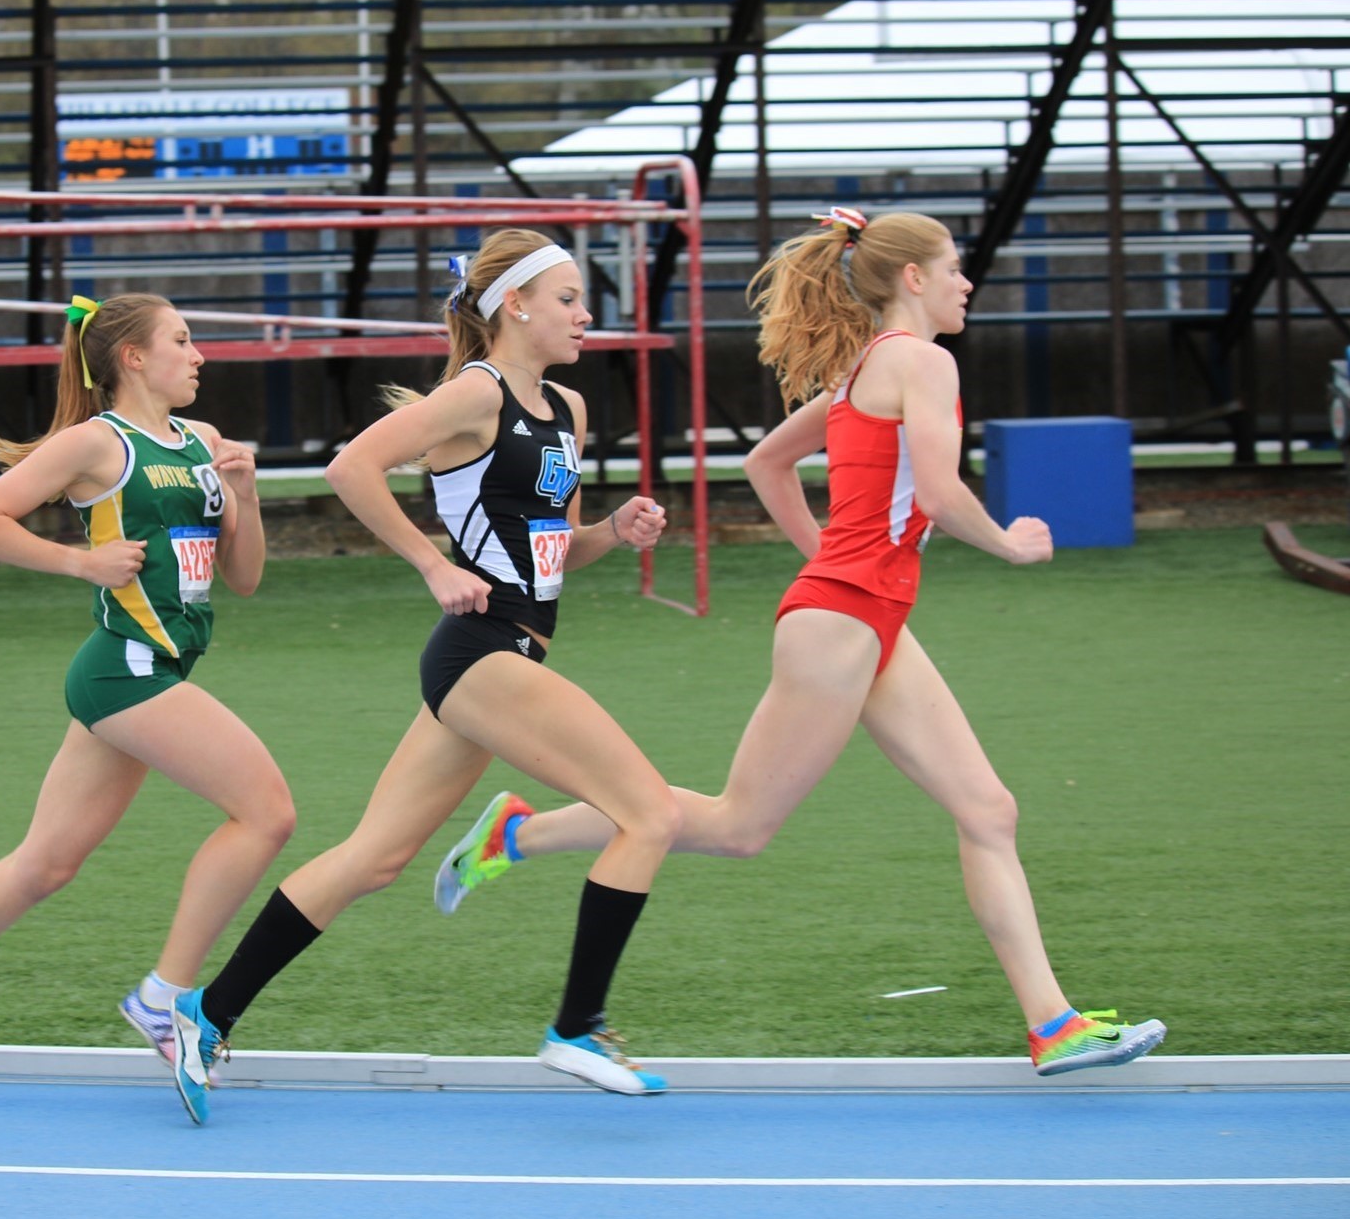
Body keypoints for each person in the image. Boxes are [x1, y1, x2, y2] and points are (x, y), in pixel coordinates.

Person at [436, 208, 1166, 1078]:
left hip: (865, 612)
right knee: (740, 826)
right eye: (956, 267)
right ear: (914, 279)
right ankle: (520, 833)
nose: (969, 282)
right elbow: (934, 490)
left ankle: (1053, 1024)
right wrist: (1008, 541)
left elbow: (766, 465)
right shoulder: (921, 363)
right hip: (843, 621)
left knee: (988, 809)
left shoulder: (864, 370)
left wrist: (834, 563)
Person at [164, 229, 676, 1125]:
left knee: (375, 858)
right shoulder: (471, 395)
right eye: (567, 298)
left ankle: (204, 1015)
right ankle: (577, 1028)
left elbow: (552, 552)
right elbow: (350, 465)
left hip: (511, 651)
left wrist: (614, 534)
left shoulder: (569, 409)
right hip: (480, 654)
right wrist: (431, 565)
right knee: (650, 814)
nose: (586, 314)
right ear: (514, 305)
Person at [0, 293, 295, 1096]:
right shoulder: (97, 442)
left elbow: (247, 577)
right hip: (125, 669)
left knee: (46, 863)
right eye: (183, 340)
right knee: (267, 810)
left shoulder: (203, 442)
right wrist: (80, 563)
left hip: (158, 667)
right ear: (133, 357)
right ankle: (164, 1000)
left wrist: (247, 495)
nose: (200, 355)